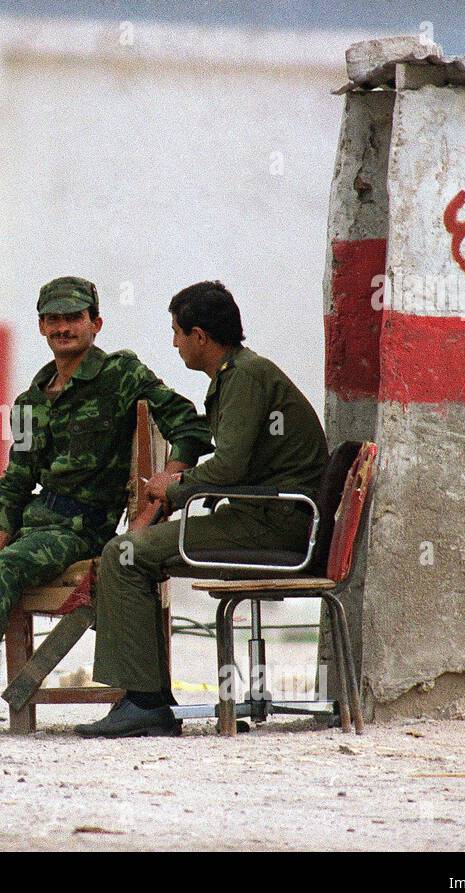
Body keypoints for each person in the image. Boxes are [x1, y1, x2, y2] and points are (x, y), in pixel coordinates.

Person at [0, 276, 212, 731]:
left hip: (79, 529)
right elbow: (14, 485)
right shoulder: (29, 403)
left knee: (3, 571)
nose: (63, 328)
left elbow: (191, 427)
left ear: (95, 323)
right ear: (41, 326)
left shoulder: (120, 376)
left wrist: (160, 496)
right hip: (31, 521)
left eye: (73, 318)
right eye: (53, 319)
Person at [74, 280, 328, 738]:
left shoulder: (245, 377)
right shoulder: (238, 374)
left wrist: (172, 487)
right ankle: (147, 699)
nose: (174, 343)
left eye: (177, 332)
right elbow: (236, 465)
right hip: (269, 516)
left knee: (123, 555)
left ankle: (144, 703)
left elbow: (229, 466)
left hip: (274, 524)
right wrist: (182, 488)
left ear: (200, 336)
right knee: (135, 555)